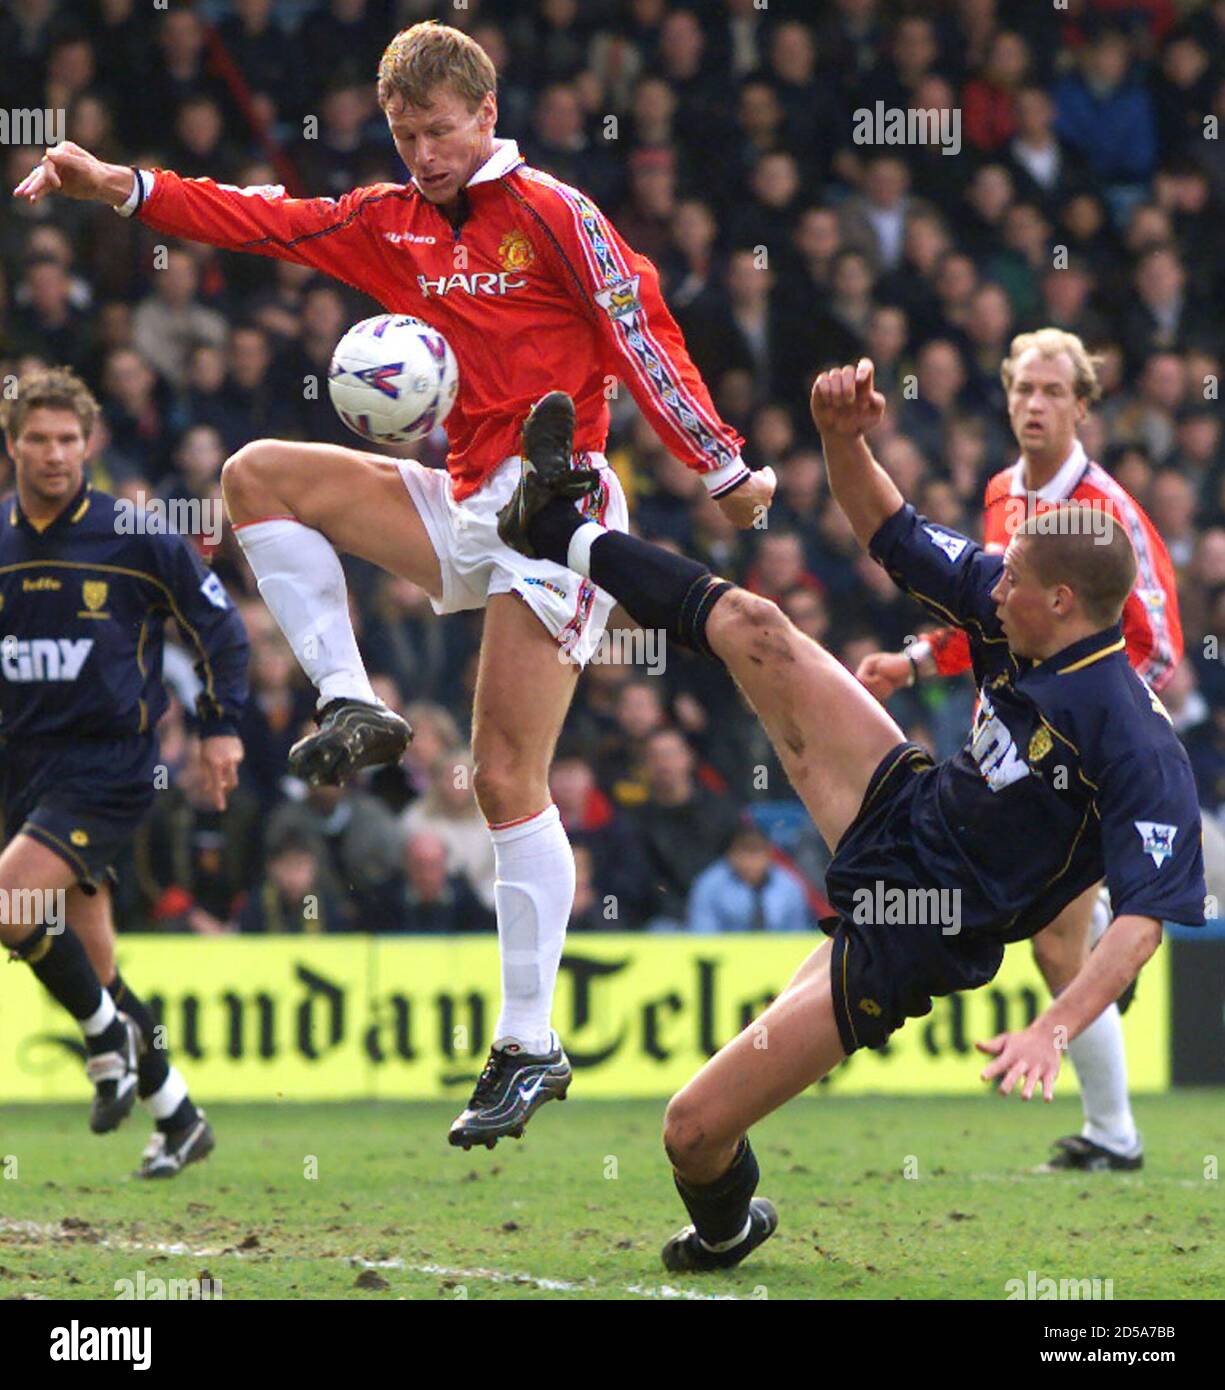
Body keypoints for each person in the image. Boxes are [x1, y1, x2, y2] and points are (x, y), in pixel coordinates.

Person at [13, 19, 775, 1150]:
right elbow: (261, 219)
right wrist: (120, 186)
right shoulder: (391, 223)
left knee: (505, 773)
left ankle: (528, 1040)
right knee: (255, 475)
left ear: (486, 111)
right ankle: (345, 694)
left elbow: (638, 327)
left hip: (557, 518)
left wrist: (720, 462)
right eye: (405, 133)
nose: (424, 151)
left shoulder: (554, 213)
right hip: (466, 503)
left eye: (440, 129)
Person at [495, 366, 1205, 1271]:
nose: (991, 587)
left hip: (915, 924)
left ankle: (726, 1227)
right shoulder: (1014, 606)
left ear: (1061, 602)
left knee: (690, 1132)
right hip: (899, 800)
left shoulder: (1136, 746)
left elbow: (1139, 924)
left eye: (1013, 579)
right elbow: (891, 532)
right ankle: (557, 523)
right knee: (756, 626)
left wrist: (1051, 1027)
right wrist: (841, 437)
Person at [856, 328, 1183, 1173]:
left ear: (1083, 404)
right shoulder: (1003, 491)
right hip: (1006, 744)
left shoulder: (1109, 513)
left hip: (1083, 765)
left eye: (1052, 391)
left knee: (1056, 945)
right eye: (1021, 389)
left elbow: (1161, 648)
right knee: (1051, 946)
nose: (1033, 404)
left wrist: (1079, 725)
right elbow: (995, 607)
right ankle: (1111, 1133)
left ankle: (1113, 1134)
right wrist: (918, 658)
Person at [0, 368, 248, 1177]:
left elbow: (220, 624)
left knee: (12, 902)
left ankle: (106, 1041)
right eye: (37, 439)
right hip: (22, 769)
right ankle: (177, 1113)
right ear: (13, 446)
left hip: (109, 764)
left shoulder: (131, 534)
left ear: (91, 444)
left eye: (69, 439)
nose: (54, 454)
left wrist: (219, 728)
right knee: (91, 968)